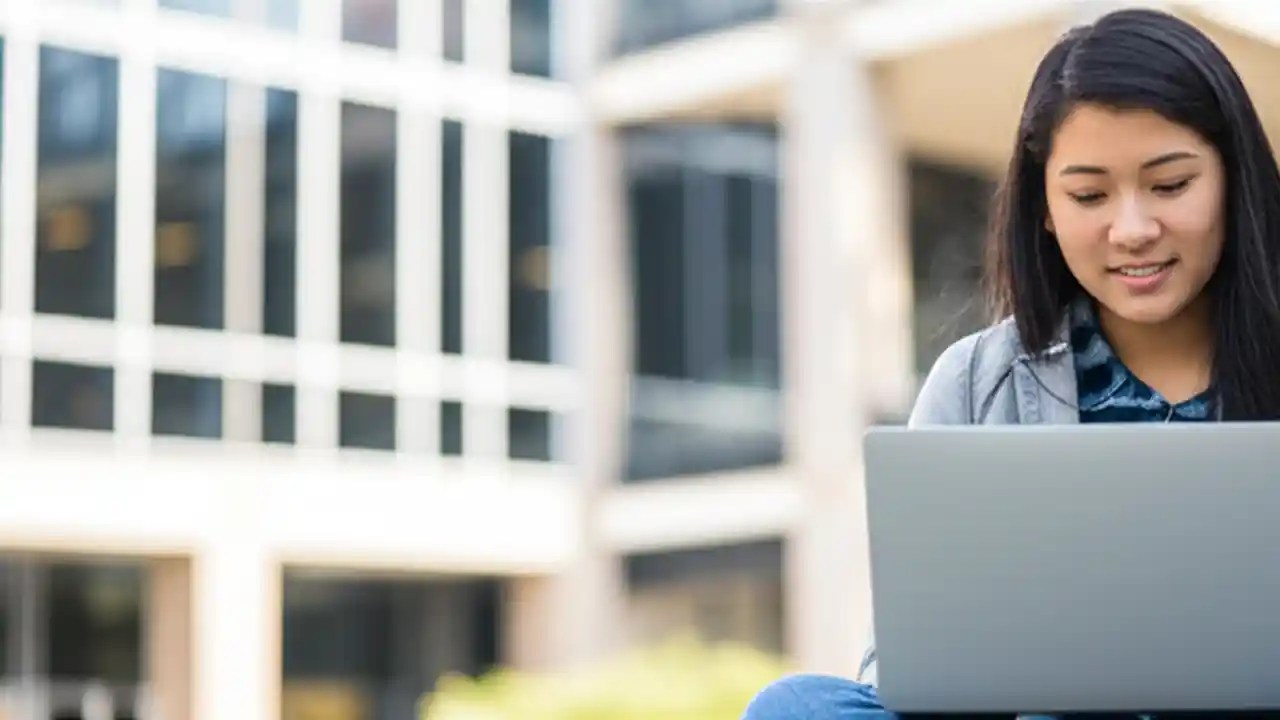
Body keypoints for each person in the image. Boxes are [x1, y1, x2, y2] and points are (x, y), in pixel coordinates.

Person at [743, 6, 1280, 720]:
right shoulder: (974, 381)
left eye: (1171, 185)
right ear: (1046, 209)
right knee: (795, 707)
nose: (1132, 230)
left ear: (1233, 179)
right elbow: (908, 668)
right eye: (1089, 196)